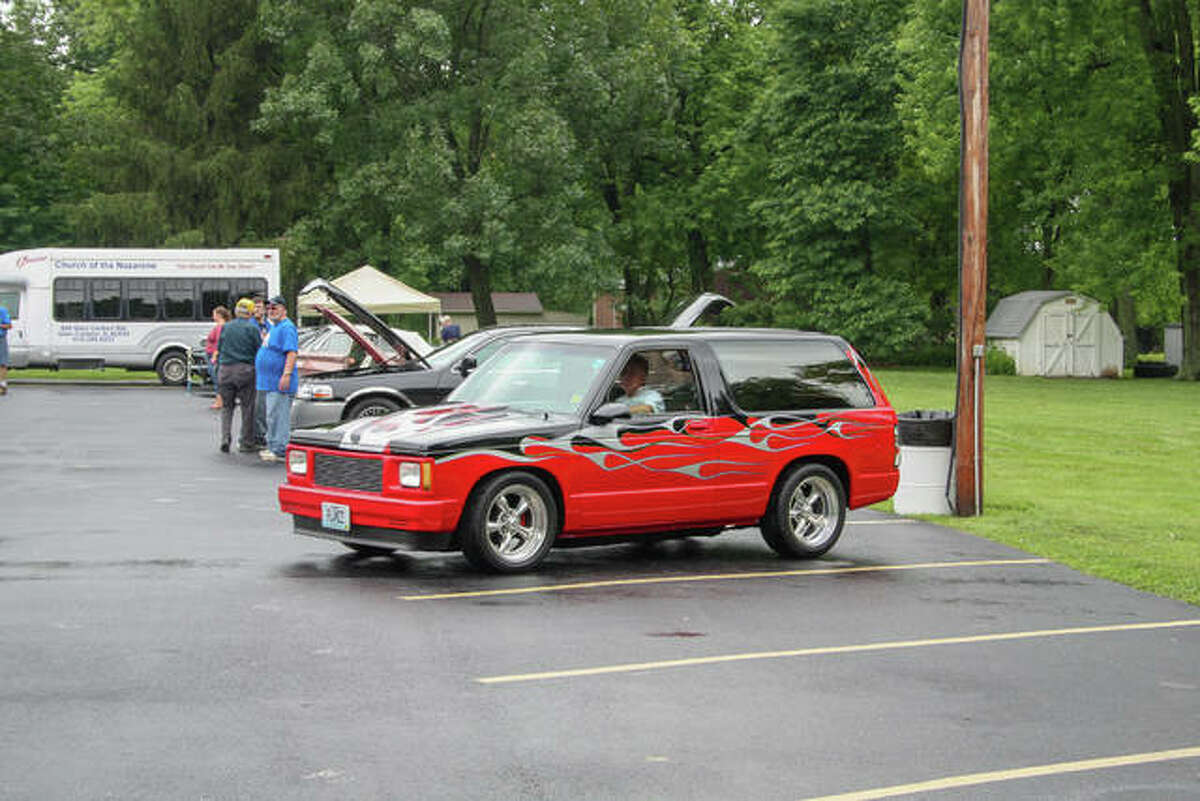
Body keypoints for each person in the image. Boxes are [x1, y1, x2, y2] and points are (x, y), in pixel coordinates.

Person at [255, 295, 299, 463]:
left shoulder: (287, 327)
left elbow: (291, 352)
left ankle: (280, 449)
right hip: (268, 382)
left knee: (278, 415)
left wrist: (286, 374)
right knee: (271, 415)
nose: (271, 310)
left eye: (275, 308)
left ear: (284, 309)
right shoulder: (275, 327)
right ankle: (273, 445)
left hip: (279, 382)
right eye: (269, 308)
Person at [216, 298, 262, 453]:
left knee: (227, 407)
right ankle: (247, 442)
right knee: (247, 407)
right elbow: (259, 350)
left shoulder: (226, 327)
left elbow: (220, 347)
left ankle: (225, 438)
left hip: (225, 370)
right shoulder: (252, 328)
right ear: (250, 312)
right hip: (245, 371)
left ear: (236, 311)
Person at [251, 294, 270, 447]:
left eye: (260, 307)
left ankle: (263, 432)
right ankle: (258, 434)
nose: (258, 310)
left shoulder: (269, 326)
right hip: (253, 368)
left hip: (267, 369)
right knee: (257, 403)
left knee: (265, 403)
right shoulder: (250, 325)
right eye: (255, 307)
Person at [205, 306, 231, 409]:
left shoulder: (220, 327)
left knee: (217, 378)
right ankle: (220, 400)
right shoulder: (222, 326)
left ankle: (220, 401)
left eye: (214, 314)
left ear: (219, 315)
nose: (213, 316)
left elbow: (219, 342)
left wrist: (215, 356)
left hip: (214, 355)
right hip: (213, 354)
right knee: (218, 378)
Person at [0, 301, 11, 396]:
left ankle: (2, 385)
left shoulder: (2, 311)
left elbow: (9, 325)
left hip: (1, 339)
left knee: (2, 363)